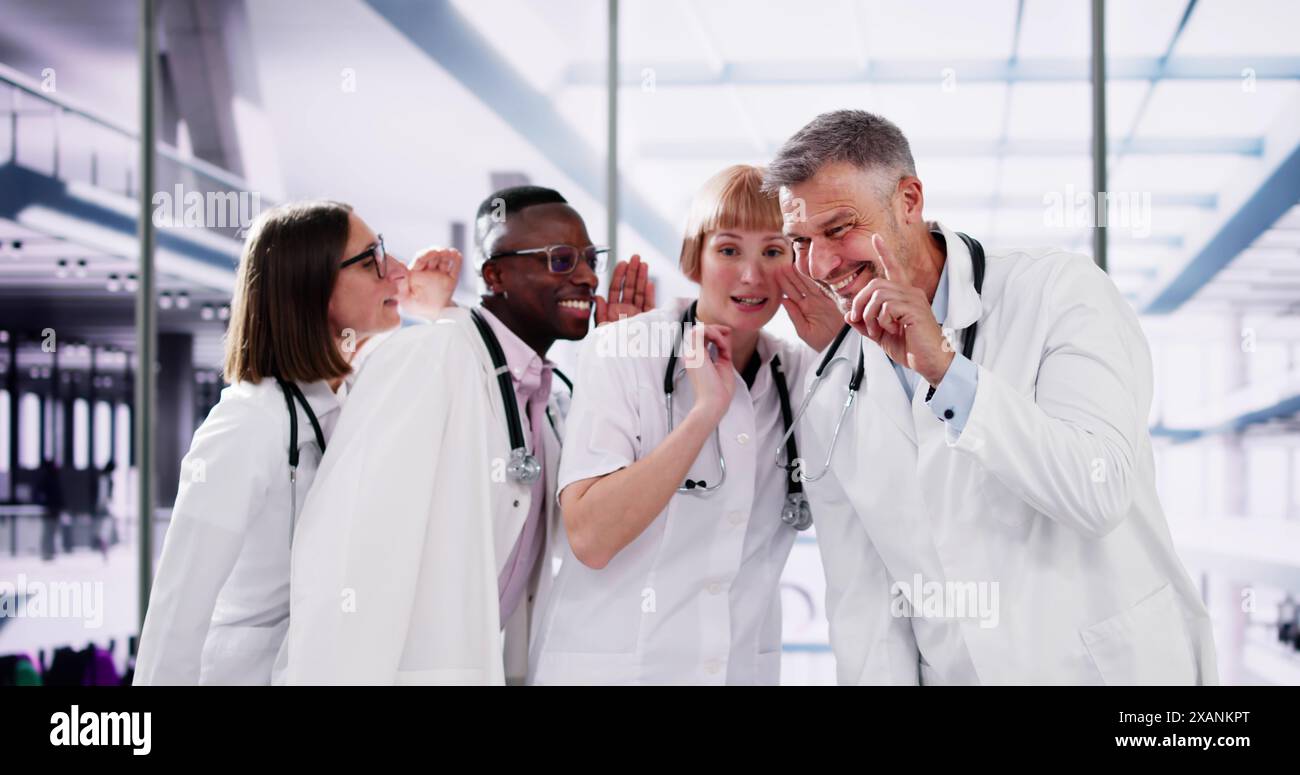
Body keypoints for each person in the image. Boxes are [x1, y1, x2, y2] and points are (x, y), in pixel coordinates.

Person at [767, 109, 1217, 685]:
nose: (819, 264)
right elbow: (865, 608)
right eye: (799, 240)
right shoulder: (833, 388)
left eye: (838, 229)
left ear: (909, 200)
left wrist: (947, 373)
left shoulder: (1060, 294)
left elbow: (1097, 490)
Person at [284, 186, 656, 684]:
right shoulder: (427, 358)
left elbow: (604, 527)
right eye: (561, 260)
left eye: (591, 259)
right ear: (495, 275)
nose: (588, 277)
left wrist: (624, 367)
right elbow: (344, 552)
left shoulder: (551, 398)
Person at [530, 165, 840, 685]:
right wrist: (703, 416)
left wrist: (839, 346)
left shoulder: (808, 371)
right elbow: (590, 538)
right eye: (728, 250)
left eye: (773, 251)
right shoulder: (625, 350)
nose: (751, 275)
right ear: (694, 256)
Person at [133, 200, 410, 685]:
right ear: (314, 285)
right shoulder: (248, 424)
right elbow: (178, 608)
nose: (398, 272)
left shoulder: (349, 404)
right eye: (372, 261)